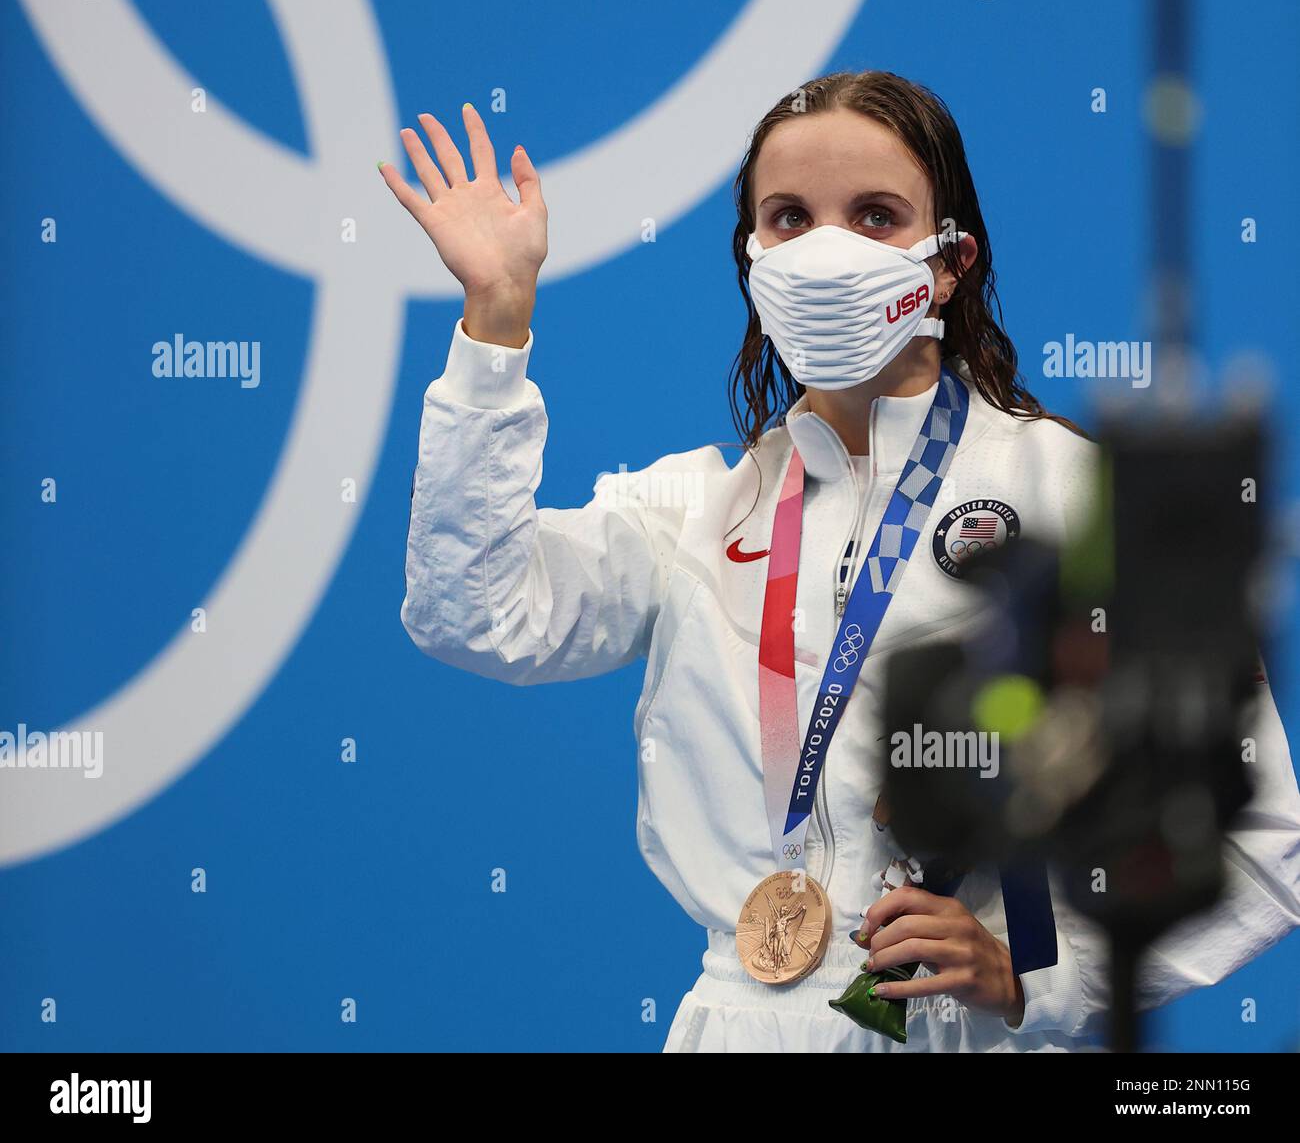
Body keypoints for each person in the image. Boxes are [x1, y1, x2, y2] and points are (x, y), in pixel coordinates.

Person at [382, 70, 1300, 1053]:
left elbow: (1262, 842)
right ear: (750, 258)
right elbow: (472, 611)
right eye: (788, 218)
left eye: (874, 215)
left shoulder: (1073, 495)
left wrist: (1036, 973)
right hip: (729, 1022)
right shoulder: (690, 505)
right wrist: (494, 322)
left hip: (963, 1030)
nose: (825, 251)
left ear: (949, 262)